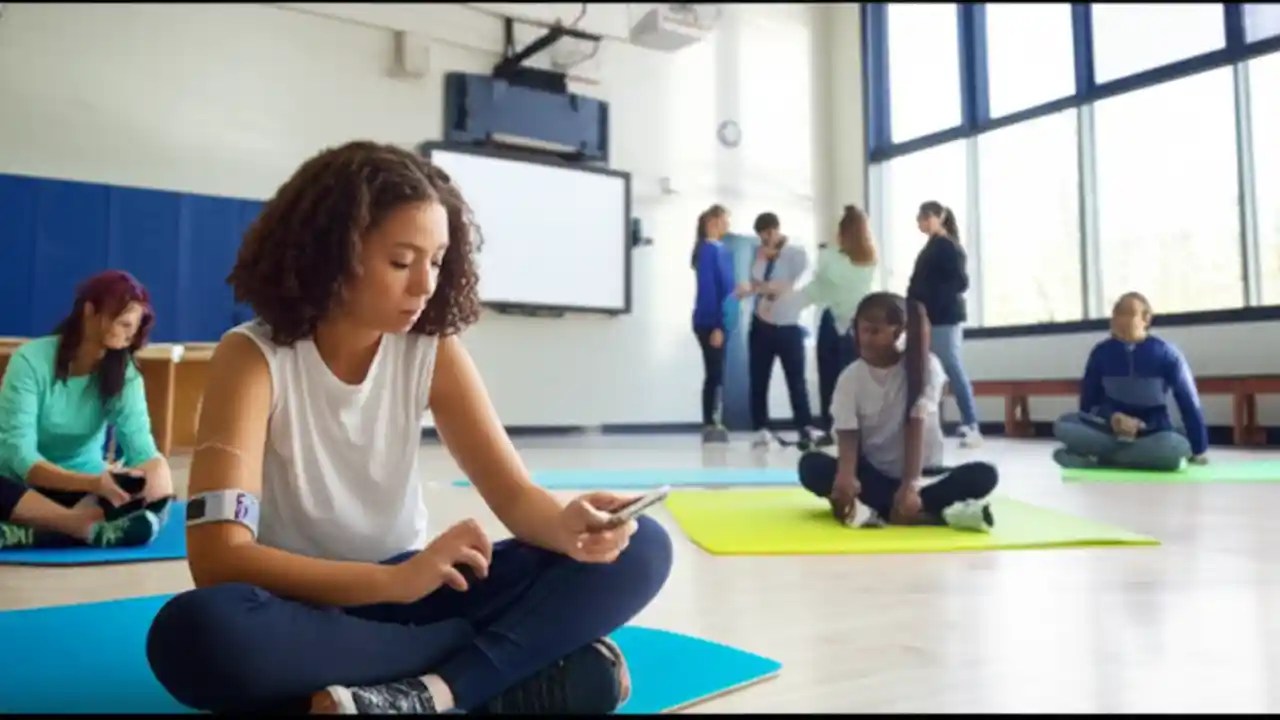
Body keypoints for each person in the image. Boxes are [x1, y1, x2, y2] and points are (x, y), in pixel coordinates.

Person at [144, 141, 673, 715]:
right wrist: (392, 584)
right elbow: (219, 558)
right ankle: (488, 672)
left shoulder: (431, 352)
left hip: (419, 592)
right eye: (401, 261)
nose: (424, 284)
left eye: (438, 260)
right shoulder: (251, 359)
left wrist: (570, 525)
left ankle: (430, 695)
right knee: (194, 633)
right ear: (331, 256)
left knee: (643, 547)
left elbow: (516, 497)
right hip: (303, 604)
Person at [0, 270, 173, 550]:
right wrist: (94, 483)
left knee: (143, 488)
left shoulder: (125, 375)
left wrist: (155, 475)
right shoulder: (30, 361)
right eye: (123, 319)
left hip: (85, 492)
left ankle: (39, 531)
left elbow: (141, 449)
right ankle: (76, 527)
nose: (131, 329)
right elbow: (22, 458)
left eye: (135, 324)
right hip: (20, 484)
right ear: (89, 311)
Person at [796, 292, 997, 531]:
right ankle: (921, 513)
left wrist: (910, 484)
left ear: (898, 332)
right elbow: (847, 432)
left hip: (923, 475)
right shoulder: (850, 377)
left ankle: (888, 509)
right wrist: (846, 476)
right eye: (862, 331)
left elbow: (916, 421)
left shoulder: (926, 367)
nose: (866, 340)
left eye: (875, 332)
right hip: (874, 477)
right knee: (811, 466)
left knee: (985, 475)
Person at [1052, 292, 1208, 472]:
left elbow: (1189, 402)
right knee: (1064, 425)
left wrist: (1198, 448)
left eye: (1127, 313)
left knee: (1175, 446)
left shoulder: (1166, 354)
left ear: (1146, 319)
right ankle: (1140, 459)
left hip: (1151, 432)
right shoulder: (1101, 353)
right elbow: (1088, 405)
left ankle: (1104, 459)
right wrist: (1113, 418)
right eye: (1116, 314)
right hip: (1110, 430)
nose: (1119, 320)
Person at [741, 212, 823, 450]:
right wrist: (763, 263)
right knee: (758, 379)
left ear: (776, 230)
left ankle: (805, 427)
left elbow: (790, 285)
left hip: (788, 324)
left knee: (796, 380)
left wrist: (764, 285)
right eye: (761, 237)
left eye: (768, 234)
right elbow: (755, 282)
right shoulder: (759, 254)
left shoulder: (796, 253)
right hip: (761, 324)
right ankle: (760, 428)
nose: (765, 240)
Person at [907, 200, 982, 449]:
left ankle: (972, 424)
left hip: (944, 318)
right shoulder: (930, 248)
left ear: (940, 217)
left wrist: (931, 300)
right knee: (930, 371)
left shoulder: (948, 247)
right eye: (921, 217)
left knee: (951, 367)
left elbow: (960, 282)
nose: (923, 222)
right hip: (928, 318)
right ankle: (929, 423)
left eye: (928, 216)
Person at [798, 205, 879, 435]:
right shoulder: (870, 259)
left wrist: (828, 249)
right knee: (855, 379)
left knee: (829, 379)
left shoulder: (829, 257)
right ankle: (856, 427)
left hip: (831, 321)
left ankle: (830, 427)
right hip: (857, 322)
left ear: (843, 232)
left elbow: (821, 280)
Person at [690, 203, 736, 444]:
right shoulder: (709, 251)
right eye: (725, 219)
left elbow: (727, 289)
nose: (729, 224)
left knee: (715, 374)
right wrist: (718, 325)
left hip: (719, 320)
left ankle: (712, 421)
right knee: (714, 374)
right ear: (713, 222)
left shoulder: (719, 250)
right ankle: (711, 422)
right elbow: (710, 291)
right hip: (710, 321)